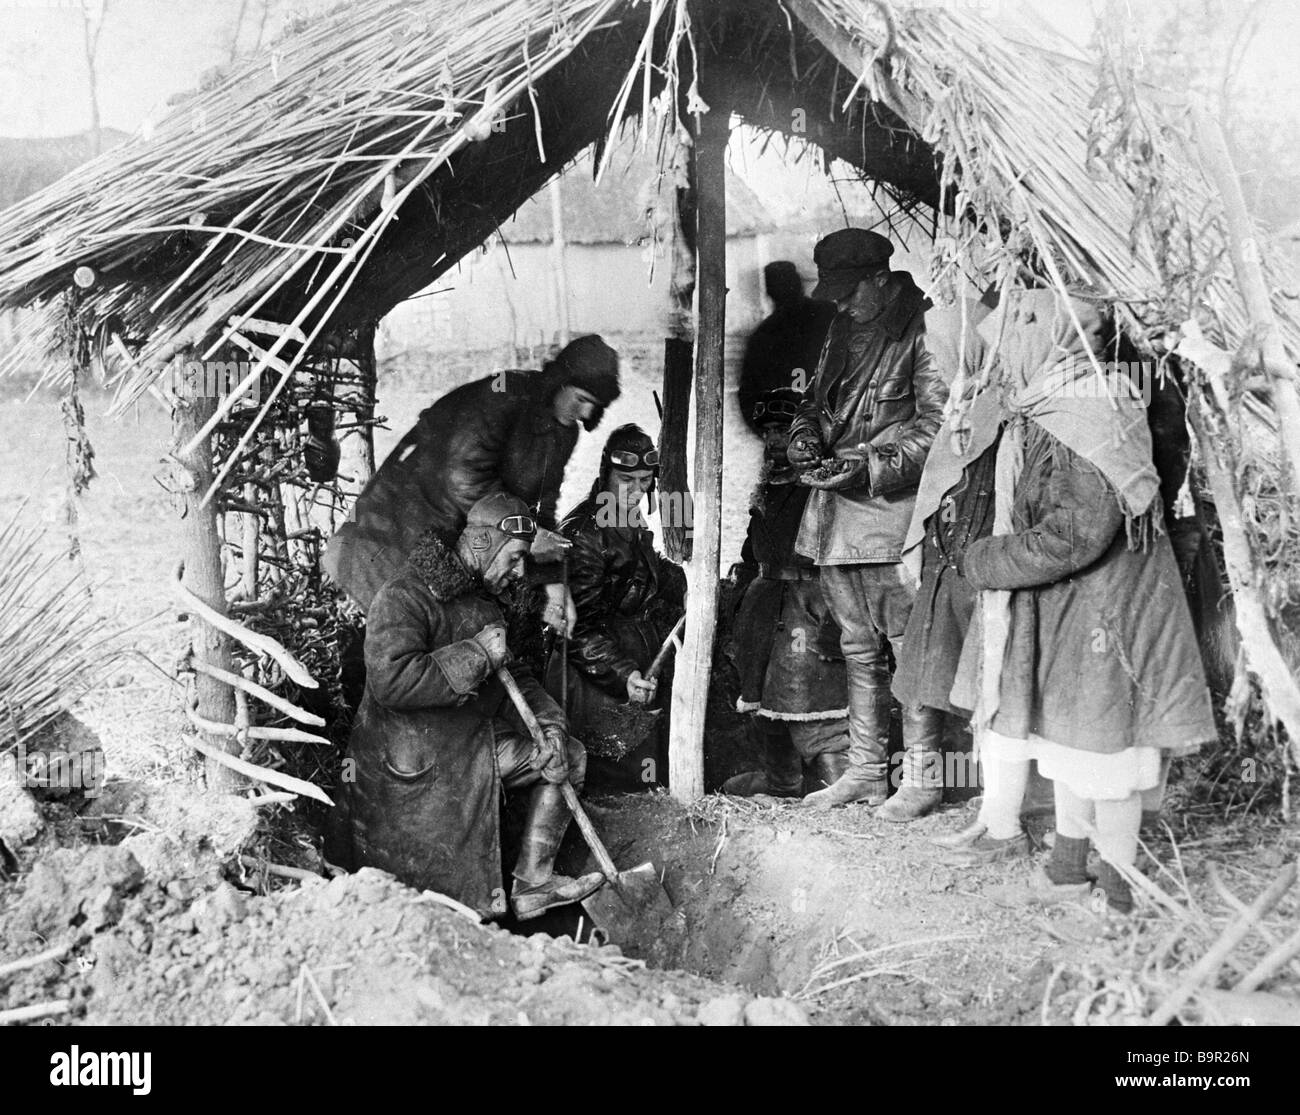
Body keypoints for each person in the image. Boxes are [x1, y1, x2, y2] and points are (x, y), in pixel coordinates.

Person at [950, 290, 1216, 914]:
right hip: (1078, 605)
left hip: (1109, 610)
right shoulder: (1057, 403)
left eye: (1014, 343)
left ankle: (1120, 896)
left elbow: (1077, 534)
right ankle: (1067, 871)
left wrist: (984, 561)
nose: (1004, 359)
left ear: (1046, 341)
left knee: (1107, 756)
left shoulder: (1088, 411)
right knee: (1074, 745)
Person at [331, 493, 603, 921]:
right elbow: (391, 681)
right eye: (515, 558)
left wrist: (550, 726)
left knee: (566, 754)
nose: (519, 573)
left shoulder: (485, 602)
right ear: (481, 543)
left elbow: (516, 677)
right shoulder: (405, 595)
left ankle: (533, 885)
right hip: (411, 761)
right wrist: (477, 655)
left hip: (469, 742)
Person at [786, 228, 949, 810]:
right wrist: (804, 437)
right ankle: (866, 771)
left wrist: (867, 468)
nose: (842, 304)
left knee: (910, 649)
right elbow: (813, 404)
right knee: (857, 648)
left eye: (850, 293)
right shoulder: (841, 329)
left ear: (881, 280)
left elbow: (940, 428)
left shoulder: (925, 330)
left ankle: (924, 777)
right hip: (835, 518)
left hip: (891, 518)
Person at [322, 334, 622, 631]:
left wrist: (553, 581)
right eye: (581, 399)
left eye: (594, 405)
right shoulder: (503, 395)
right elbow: (463, 477)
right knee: (396, 625)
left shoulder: (564, 432)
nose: (586, 413)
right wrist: (530, 535)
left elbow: (544, 502)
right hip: (401, 524)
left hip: (454, 536)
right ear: (559, 382)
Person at [723, 389, 851, 798]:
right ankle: (782, 784)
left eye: (784, 430)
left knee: (812, 704)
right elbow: (752, 552)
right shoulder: (768, 487)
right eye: (768, 432)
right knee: (764, 704)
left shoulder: (820, 488)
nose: (774, 440)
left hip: (809, 603)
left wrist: (836, 618)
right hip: (766, 605)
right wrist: (737, 599)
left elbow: (841, 555)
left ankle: (839, 786)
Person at [546, 424, 686, 789]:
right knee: (616, 775)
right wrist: (623, 675)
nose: (636, 491)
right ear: (605, 473)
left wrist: (685, 587)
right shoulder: (585, 534)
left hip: (630, 652)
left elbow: (647, 565)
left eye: (644, 481)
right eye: (626, 480)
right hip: (593, 672)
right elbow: (577, 630)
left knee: (645, 767)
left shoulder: (623, 515)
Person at [738, 261, 836, 435]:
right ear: (799, 285)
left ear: (769, 293)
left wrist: (771, 434)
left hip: (802, 431)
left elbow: (748, 396)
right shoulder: (828, 313)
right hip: (825, 427)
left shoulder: (764, 334)